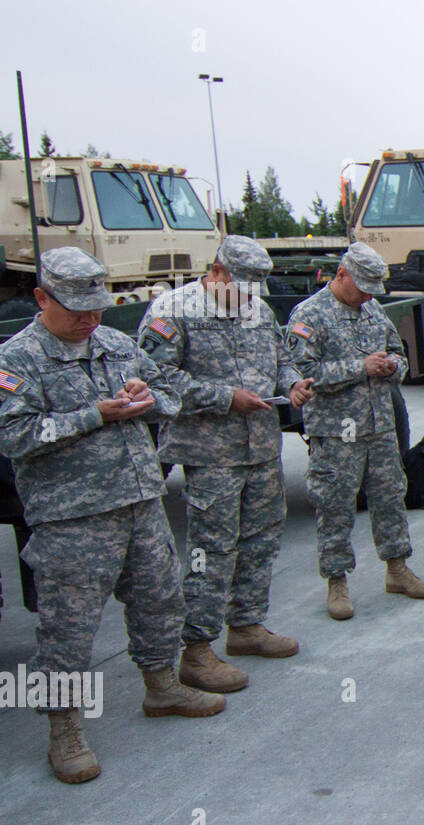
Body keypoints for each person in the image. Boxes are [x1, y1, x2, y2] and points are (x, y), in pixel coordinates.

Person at [0, 248, 225, 784]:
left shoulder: (116, 343)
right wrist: (92, 414)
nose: (90, 318)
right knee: (69, 630)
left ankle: (162, 686)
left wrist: (149, 396)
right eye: (77, 308)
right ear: (41, 297)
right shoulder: (17, 359)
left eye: (97, 307)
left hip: (140, 501)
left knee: (160, 601)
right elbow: (13, 436)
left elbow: (170, 387)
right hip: (72, 519)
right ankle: (65, 729)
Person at [139, 235, 312, 693]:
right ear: (216, 271)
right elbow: (156, 381)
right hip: (209, 453)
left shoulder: (257, 309)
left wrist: (293, 384)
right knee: (211, 548)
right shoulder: (172, 311)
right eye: (239, 288)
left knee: (261, 538)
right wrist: (223, 398)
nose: (246, 299)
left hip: (260, 447)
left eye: (253, 290)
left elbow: (281, 360)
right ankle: (196, 650)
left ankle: (247, 626)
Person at [285, 242, 424, 620]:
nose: (368, 294)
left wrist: (391, 366)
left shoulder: (371, 309)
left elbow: (396, 351)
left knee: (390, 497)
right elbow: (303, 374)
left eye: (373, 287)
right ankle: (337, 582)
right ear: (341, 274)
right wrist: (360, 368)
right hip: (338, 433)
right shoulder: (309, 315)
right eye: (362, 285)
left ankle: (397, 569)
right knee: (335, 506)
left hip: (379, 425)